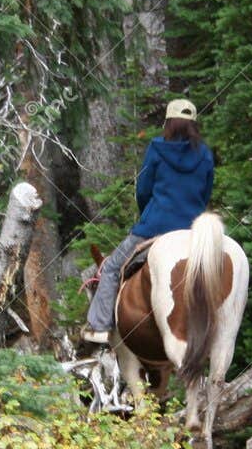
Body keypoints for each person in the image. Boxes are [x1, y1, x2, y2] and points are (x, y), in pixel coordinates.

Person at [82, 98, 214, 345]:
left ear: (168, 122)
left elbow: (143, 189)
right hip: (192, 231)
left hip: (154, 227)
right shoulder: (205, 154)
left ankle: (99, 326)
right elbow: (206, 193)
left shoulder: (156, 148)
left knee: (111, 268)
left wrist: (148, 215)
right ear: (194, 125)